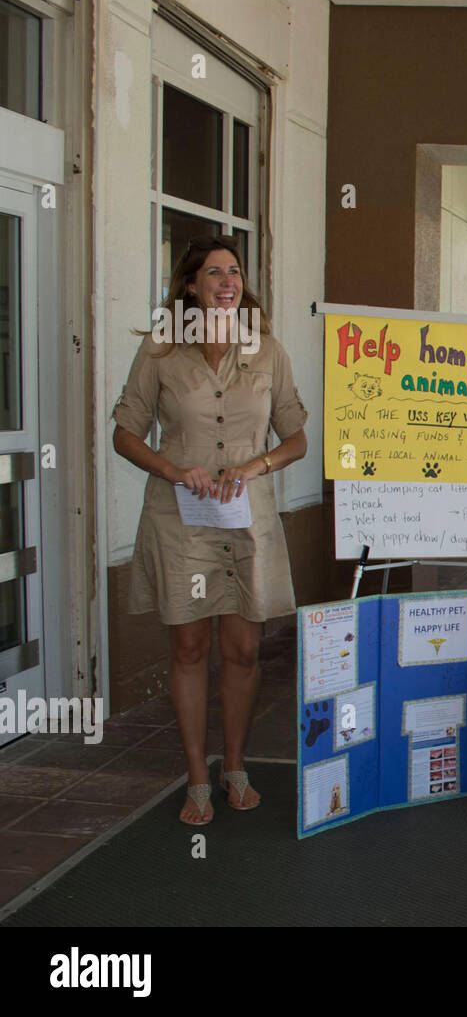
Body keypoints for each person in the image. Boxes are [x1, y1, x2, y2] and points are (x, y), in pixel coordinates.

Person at [113, 235, 309, 825]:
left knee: (244, 649)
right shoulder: (160, 350)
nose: (227, 280)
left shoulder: (269, 352)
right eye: (214, 272)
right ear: (191, 285)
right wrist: (174, 469)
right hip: (181, 519)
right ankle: (198, 777)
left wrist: (256, 465)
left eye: (235, 271)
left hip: (248, 520)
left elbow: (296, 437)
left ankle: (236, 766)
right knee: (191, 646)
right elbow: (125, 431)